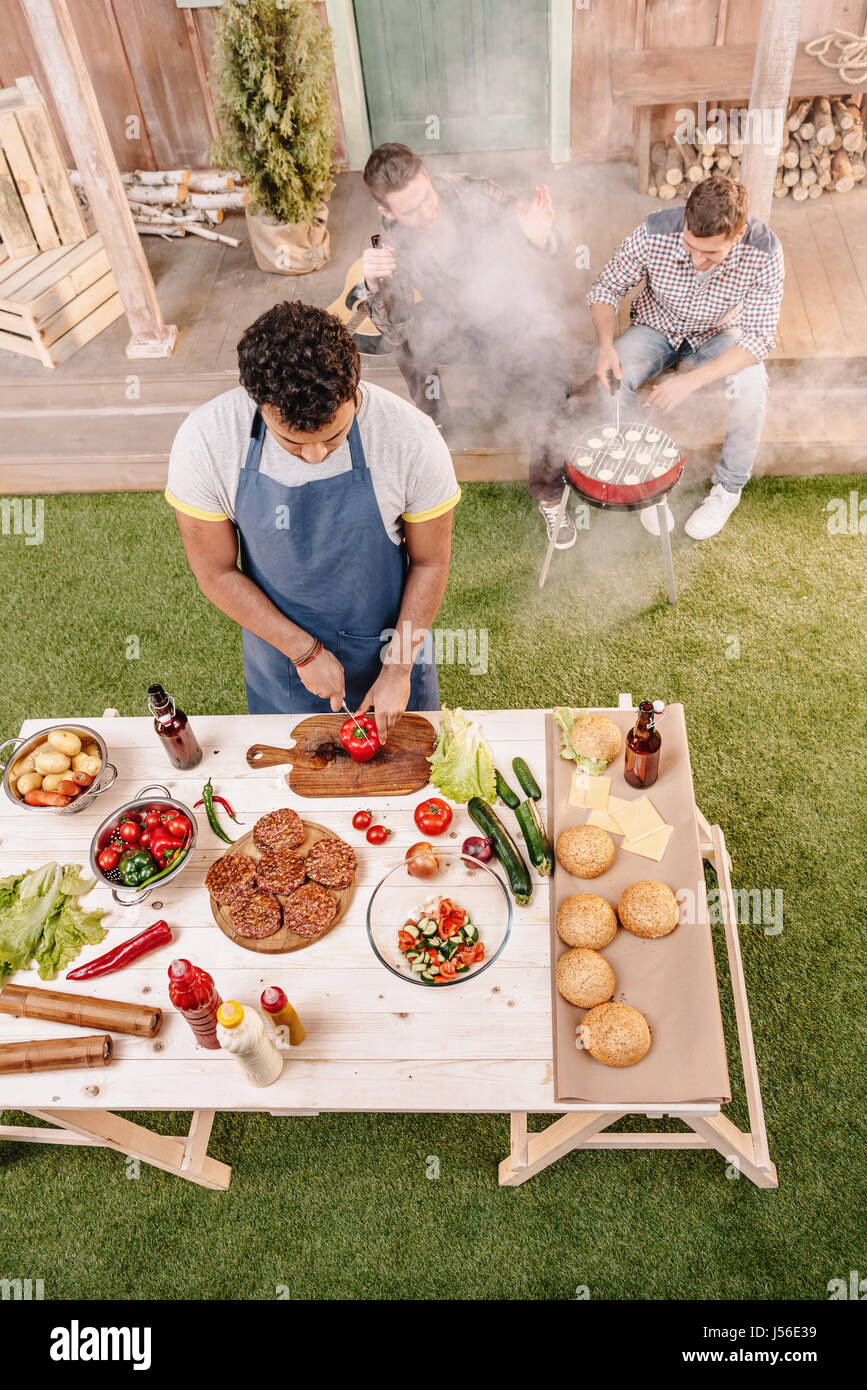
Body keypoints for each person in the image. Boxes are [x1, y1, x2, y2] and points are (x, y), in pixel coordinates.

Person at [165, 301, 459, 743]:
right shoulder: (206, 441)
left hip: (393, 645)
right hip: (281, 657)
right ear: (259, 402)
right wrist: (303, 653)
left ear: (354, 387)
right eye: (294, 442)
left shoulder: (412, 439)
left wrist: (398, 667)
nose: (316, 455)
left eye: (333, 436)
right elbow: (215, 571)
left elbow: (430, 563)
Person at [357, 142, 577, 550]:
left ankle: (549, 492)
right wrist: (374, 286)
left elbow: (556, 242)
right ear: (388, 212)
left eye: (426, 196)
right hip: (453, 326)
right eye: (411, 210)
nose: (427, 212)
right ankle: (435, 426)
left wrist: (541, 237)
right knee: (407, 343)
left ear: (427, 177)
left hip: (510, 316)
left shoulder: (474, 193)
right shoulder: (388, 241)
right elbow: (396, 330)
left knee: (554, 372)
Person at [588, 174, 784, 539]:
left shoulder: (765, 251)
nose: (696, 258)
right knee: (612, 380)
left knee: (752, 388)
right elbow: (606, 287)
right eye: (690, 244)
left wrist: (690, 381)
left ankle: (727, 489)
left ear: (737, 236)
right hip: (655, 325)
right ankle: (642, 482)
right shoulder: (654, 230)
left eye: (709, 253)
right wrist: (605, 346)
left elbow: (758, 340)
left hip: (720, 335)